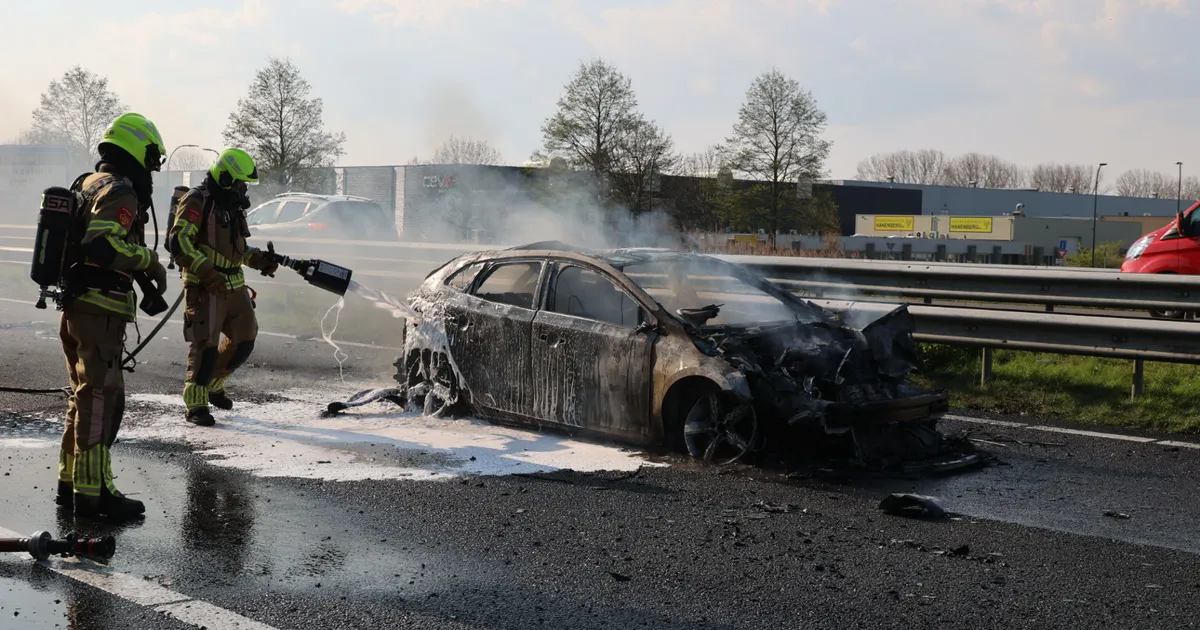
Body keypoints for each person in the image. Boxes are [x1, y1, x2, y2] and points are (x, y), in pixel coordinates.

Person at [57, 112, 169, 520]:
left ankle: (68, 481)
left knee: (82, 394)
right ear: (135, 151)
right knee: (102, 398)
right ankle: (93, 494)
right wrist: (149, 261)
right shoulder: (121, 191)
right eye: (151, 158)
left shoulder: (87, 183)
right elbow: (103, 245)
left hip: (77, 304)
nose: (152, 169)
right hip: (100, 307)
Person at [169, 148, 277, 427]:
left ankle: (213, 386)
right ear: (226, 178)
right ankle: (195, 404)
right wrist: (206, 271)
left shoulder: (232, 207)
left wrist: (261, 261)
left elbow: (237, 250)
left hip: (235, 285)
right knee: (205, 345)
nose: (243, 190)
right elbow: (180, 242)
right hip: (205, 286)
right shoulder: (197, 200)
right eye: (240, 183)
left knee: (245, 339)